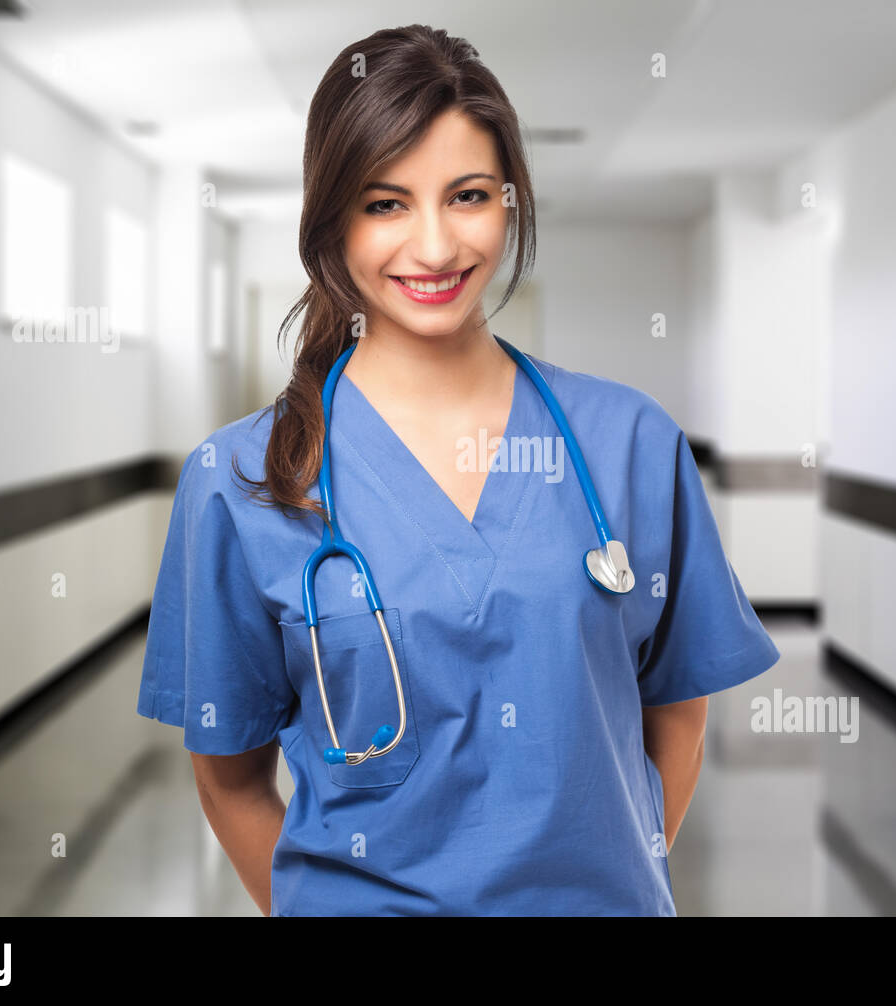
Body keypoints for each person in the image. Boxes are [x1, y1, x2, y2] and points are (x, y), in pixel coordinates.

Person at [136, 23, 780, 917]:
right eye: (386, 203)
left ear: (510, 202)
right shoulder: (241, 478)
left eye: (468, 195)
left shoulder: (629, 442)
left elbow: (677, 716)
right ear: (332, 220)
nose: (435, 248)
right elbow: (230, 781)